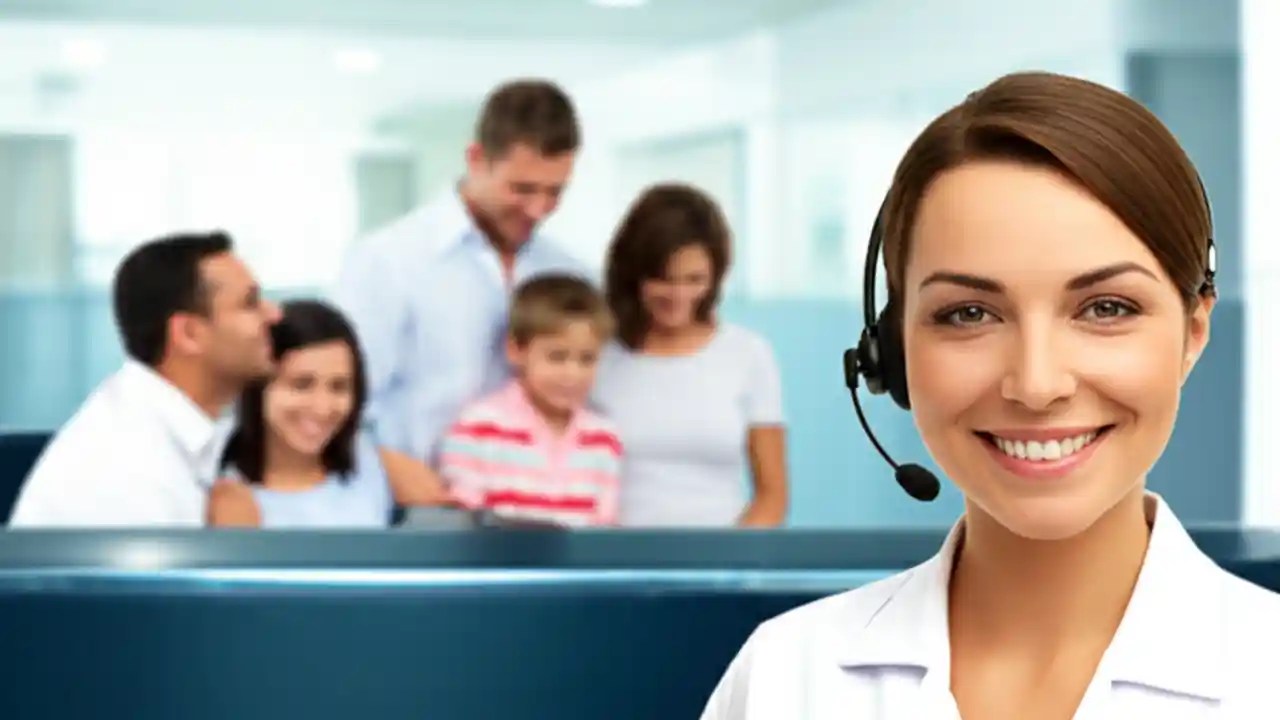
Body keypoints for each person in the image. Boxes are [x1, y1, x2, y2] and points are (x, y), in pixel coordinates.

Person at [700, 71, 1280, 718]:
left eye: (1106, 308)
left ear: (1192, 332)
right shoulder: (787, 677)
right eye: (969, 314)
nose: (1036, 385)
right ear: (888, 352)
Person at [334, 78, 588, 474]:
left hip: (538, 511)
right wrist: (388, 471)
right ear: (476, 159)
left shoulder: (569, 273)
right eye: (522, 189)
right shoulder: (389, 260)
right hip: (417, 511)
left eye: (555, 192)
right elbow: (338, 400)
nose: (539, 209)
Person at [9, 232, 280, 527]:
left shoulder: (155, 427)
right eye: (250, 303)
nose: (274, 314)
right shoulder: (124, 465)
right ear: (188, 334)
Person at [591, 183, 788, 527]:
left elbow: (772, 494)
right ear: (634, 274)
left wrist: (730, 564)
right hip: (615, 562)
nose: (679, 295)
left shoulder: (748, 354)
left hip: (722, 565)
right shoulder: (596, 356)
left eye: (695, 279)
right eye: (663, 280)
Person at [210, 300, 451, 528]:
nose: (322, 408)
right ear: (258, 386)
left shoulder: (373, 463)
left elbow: (455, 528)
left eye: (339, 387)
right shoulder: (227, 495)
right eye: (301, 384)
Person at [437, 274, 622, 527]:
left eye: (587, 359)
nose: (572, 374)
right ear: (516, 351)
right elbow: (467, 523)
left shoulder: (603, 437)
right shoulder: (479, 427)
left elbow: (603, 528)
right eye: (557, 357)